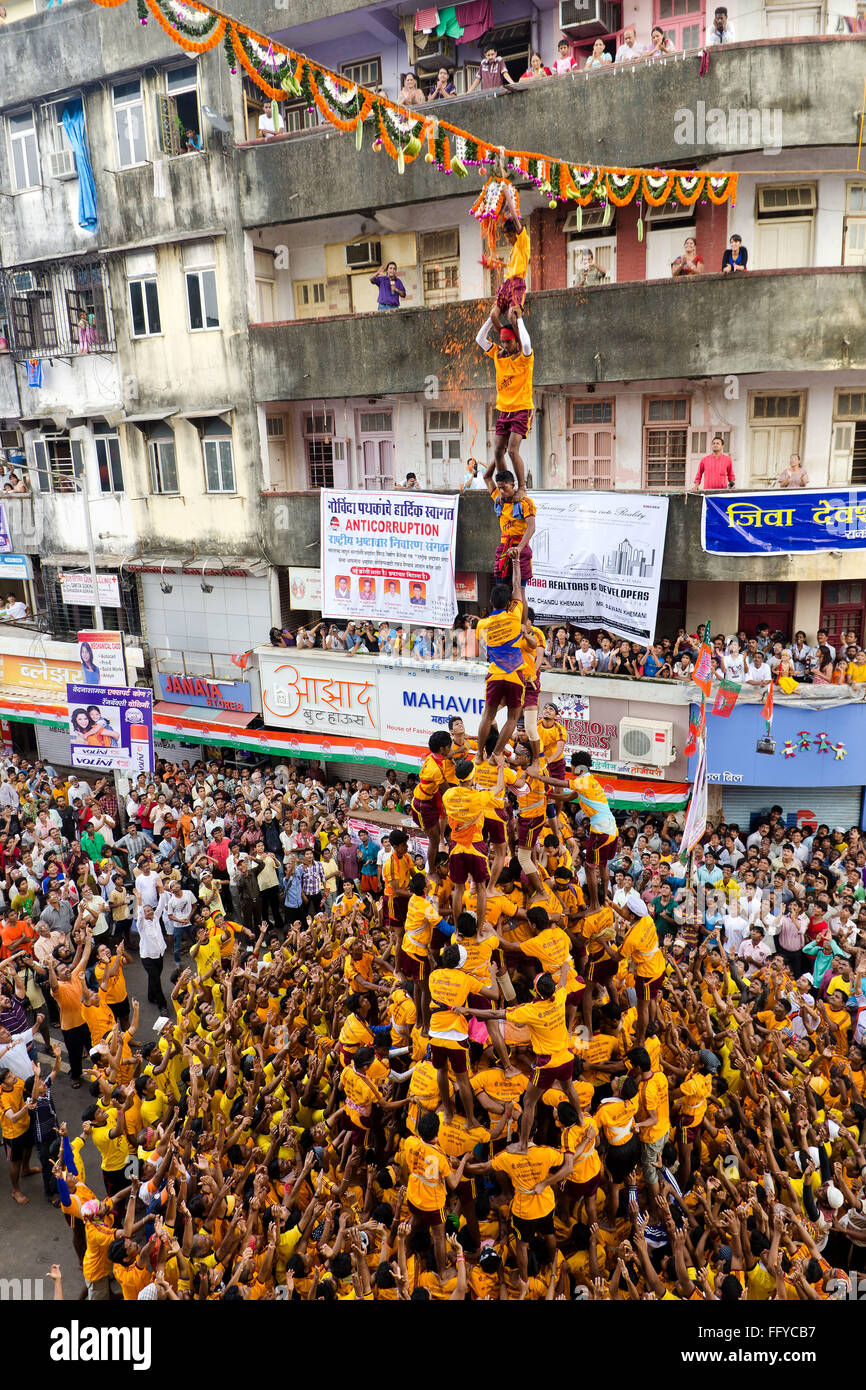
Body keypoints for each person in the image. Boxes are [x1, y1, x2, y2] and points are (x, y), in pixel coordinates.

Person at [477, 321, 534, 503]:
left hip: (522, 408)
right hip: (504, 409)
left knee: (512, 450)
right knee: (497, 452)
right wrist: (491, 316)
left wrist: (518, 319)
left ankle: (522, 487)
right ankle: (505, 487)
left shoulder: (525, 357)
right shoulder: (498, 355)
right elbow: (480, 339)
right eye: (503, 342)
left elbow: (526, 343)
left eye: (509, 342)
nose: (505, 346)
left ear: (515, 341)